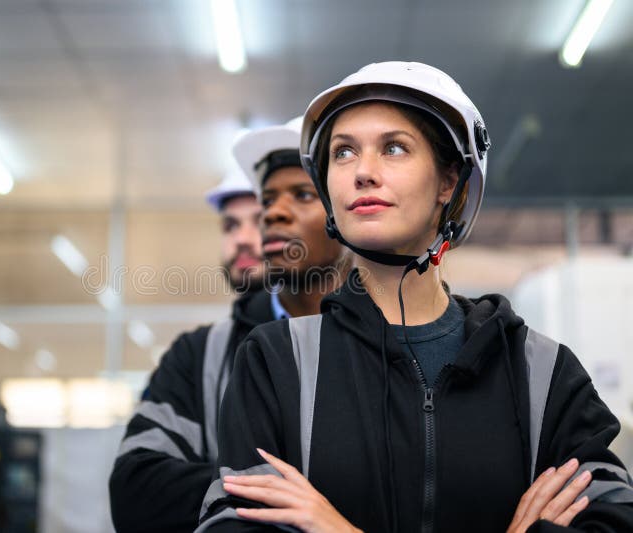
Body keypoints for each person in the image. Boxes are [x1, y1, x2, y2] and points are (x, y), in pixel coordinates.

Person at [197, 62, 633, 533]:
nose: (363, 171)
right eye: (343, 152)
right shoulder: (275, 363)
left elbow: (611, 520)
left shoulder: (544, 374)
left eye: (394, 148)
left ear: (449, 183)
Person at [109, 118, 345, 532]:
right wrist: (280, 491)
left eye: (301, 195)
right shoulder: (203, 355)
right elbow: (136, 488)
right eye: (267, 201)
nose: (274, 216)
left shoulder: (383, 341)